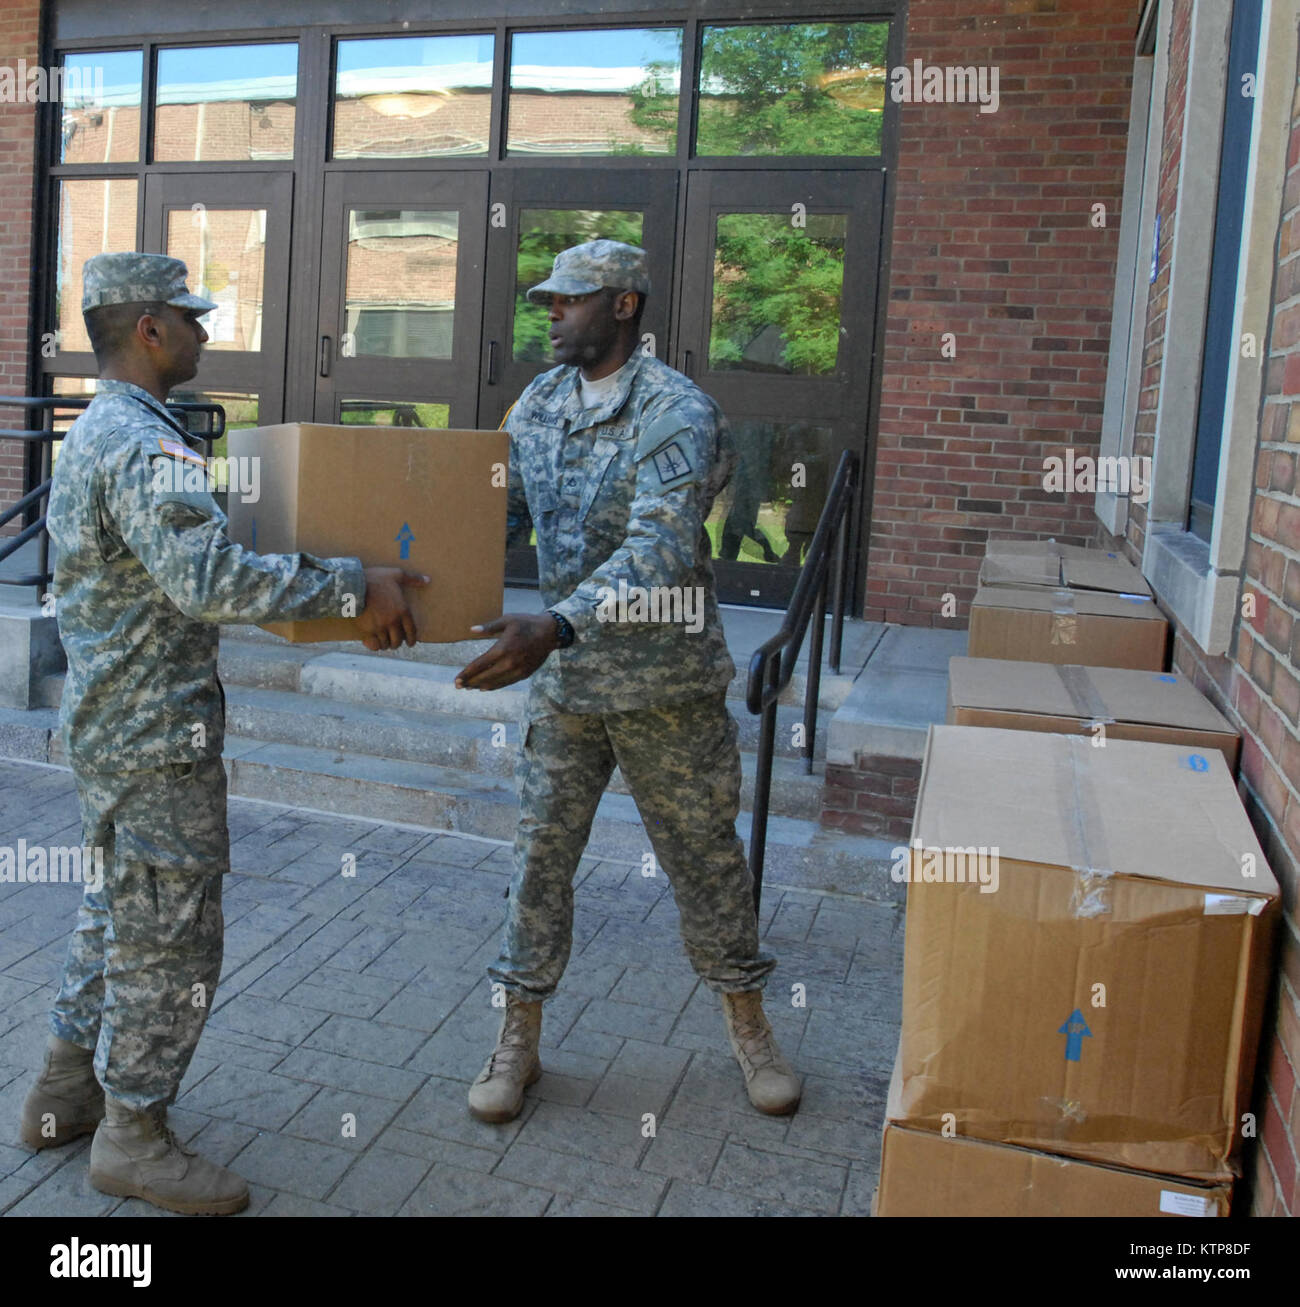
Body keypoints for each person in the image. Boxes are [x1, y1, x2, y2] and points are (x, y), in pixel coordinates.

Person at [18, 252, 426, 1215]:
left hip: (113, 725)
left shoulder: (104, 431)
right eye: (193, 319)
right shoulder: (143, 444)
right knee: (174, 941)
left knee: (117, 911)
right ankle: (134, 1138)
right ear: (151, 329)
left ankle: (63, 1091)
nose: (206, 333)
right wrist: (350, 584)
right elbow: (210, 581)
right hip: (156, 738)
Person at [456, 240, 801, 1123]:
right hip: (567, 686)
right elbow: (501, 509)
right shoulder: (537, 403)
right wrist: (407, 551)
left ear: (624, 305)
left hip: (663, 687)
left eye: (571, 300)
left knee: (706, 862)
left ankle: (751, 1028)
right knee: (538, 863)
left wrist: (558, 620)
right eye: (549, 299)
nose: (552, 312)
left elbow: (660, 543)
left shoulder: (676, 411)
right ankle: (517, 1039)